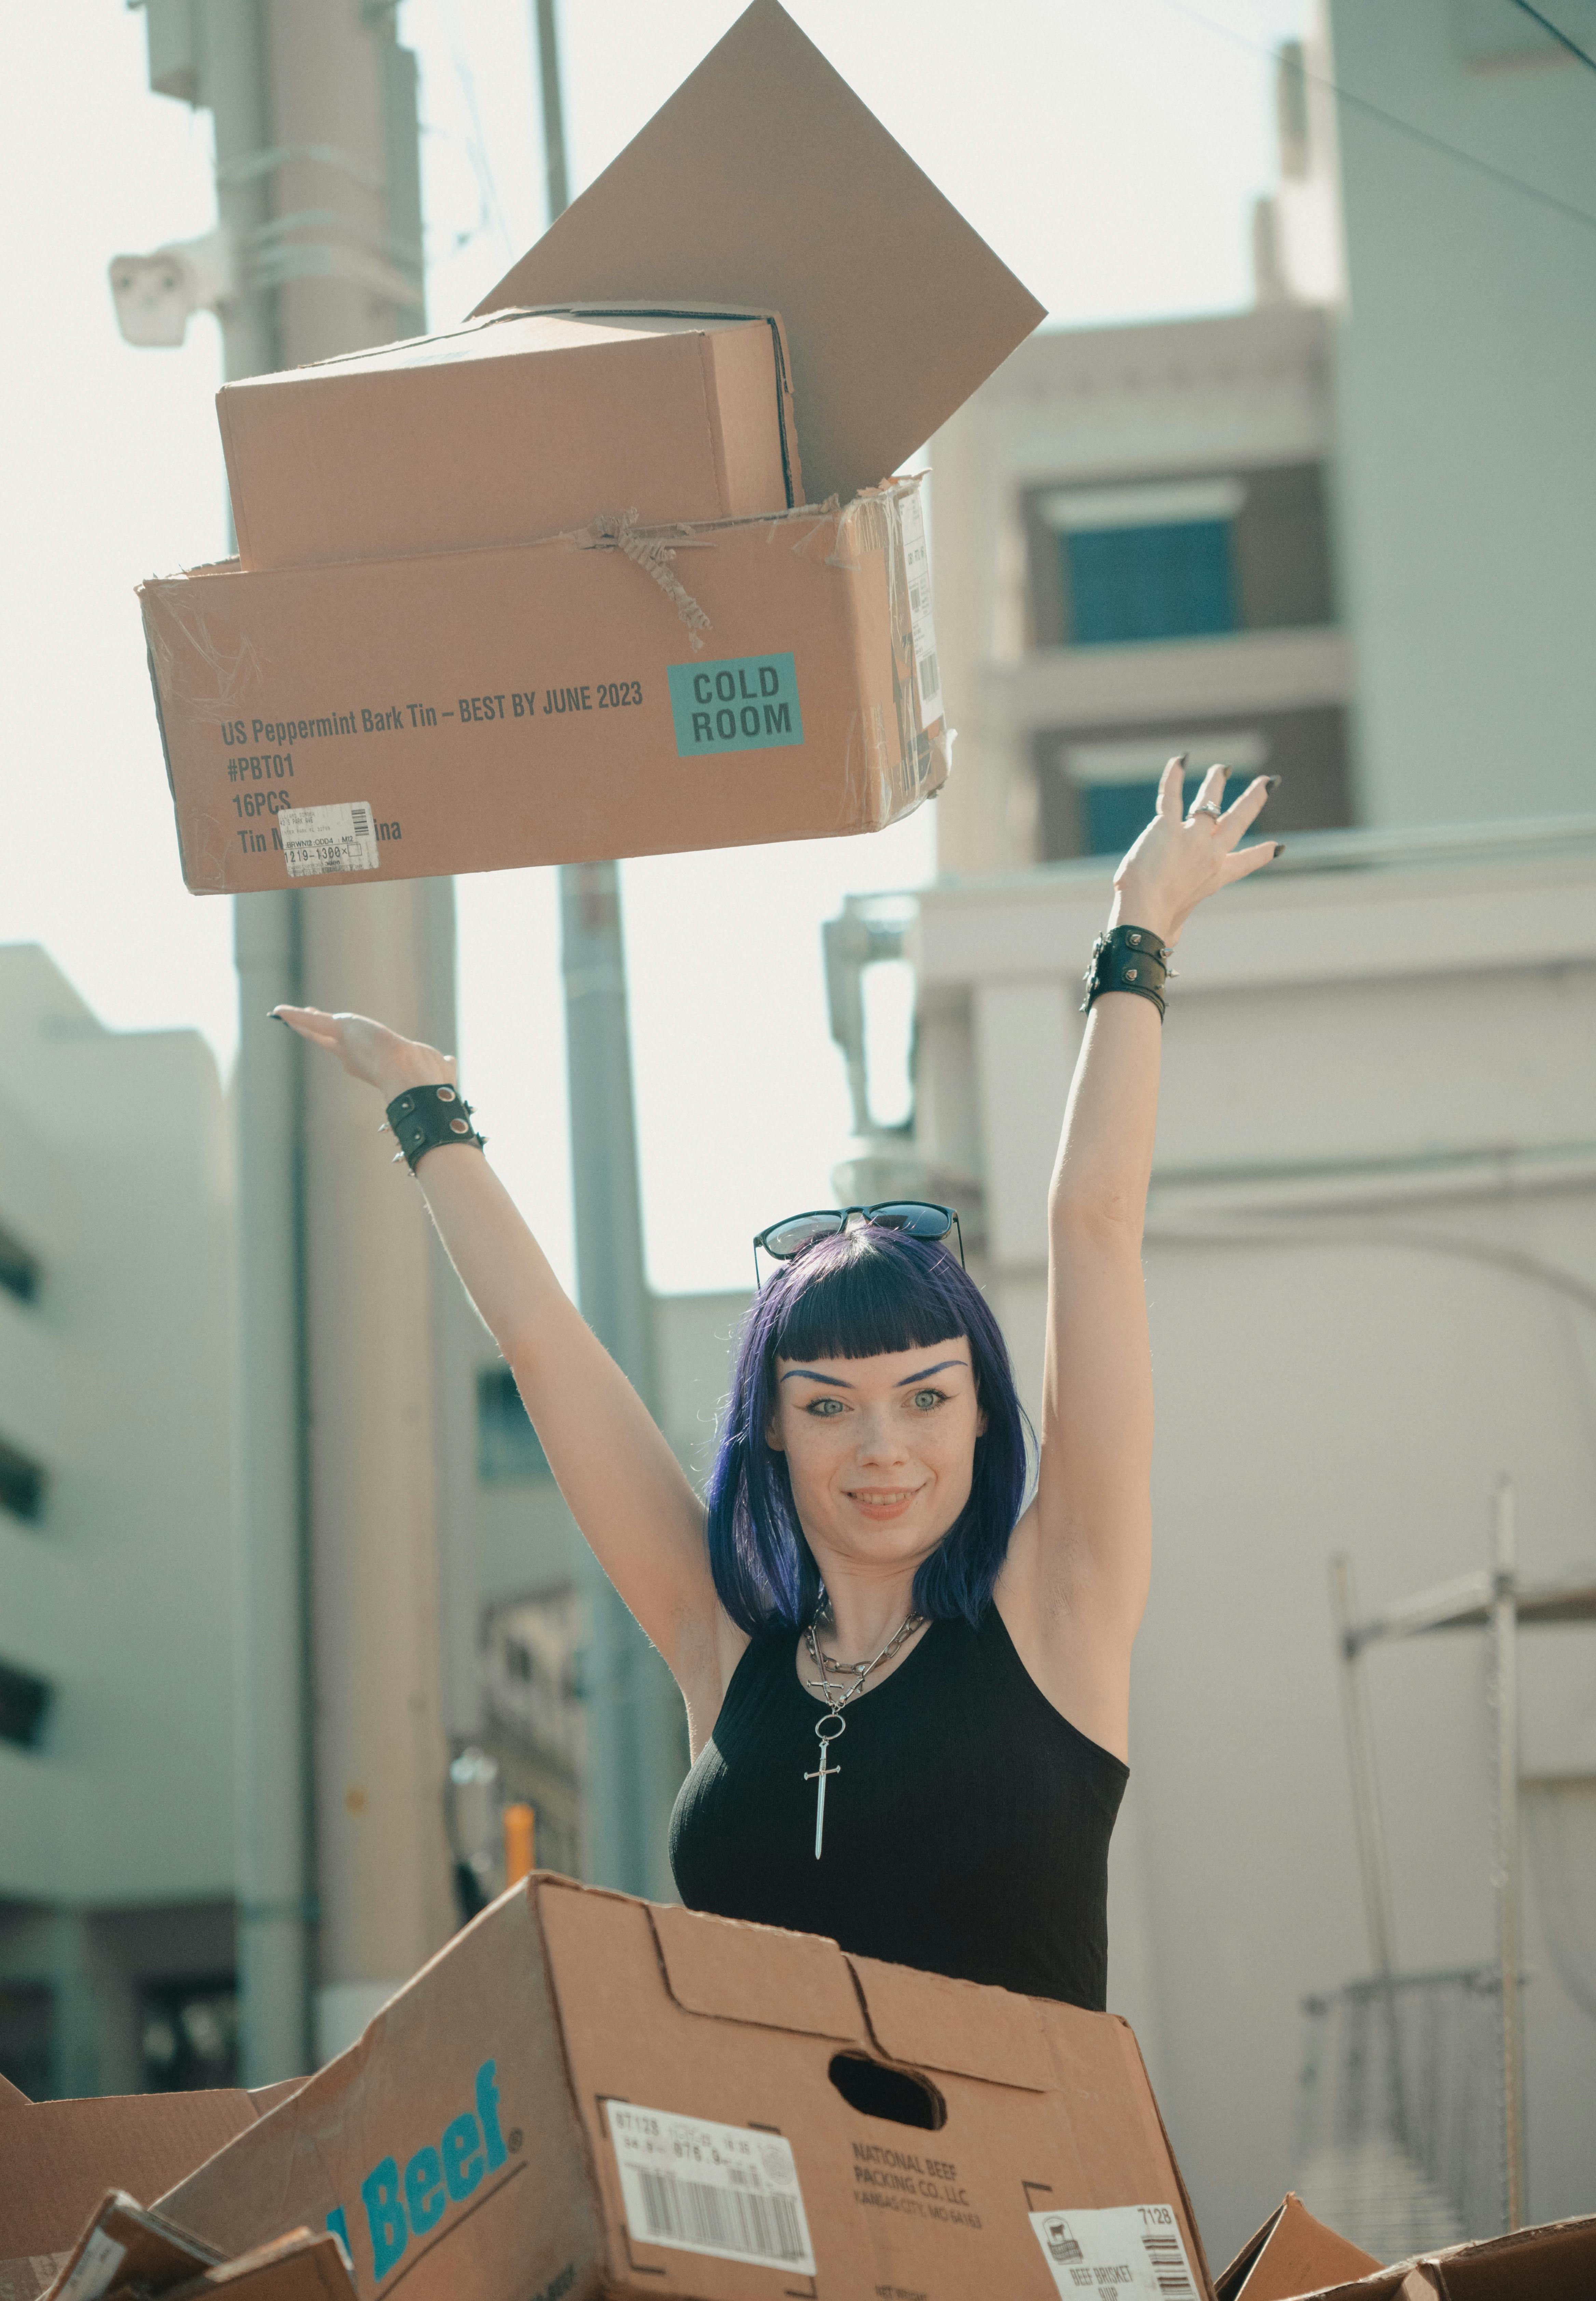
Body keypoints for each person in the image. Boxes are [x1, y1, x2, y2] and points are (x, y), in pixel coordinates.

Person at [275, 757, 1280, 2008]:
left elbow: (1094, 1221)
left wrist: (1139, 929)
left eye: (926, 1397)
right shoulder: (726, 1647)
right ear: (771, 1433)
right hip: (794, 2196)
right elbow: (544, 1345)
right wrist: (428, 1107)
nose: (882, 1448)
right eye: (827, 1406)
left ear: (981, 1416)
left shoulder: (1057, 1603)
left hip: (1035, 2192)